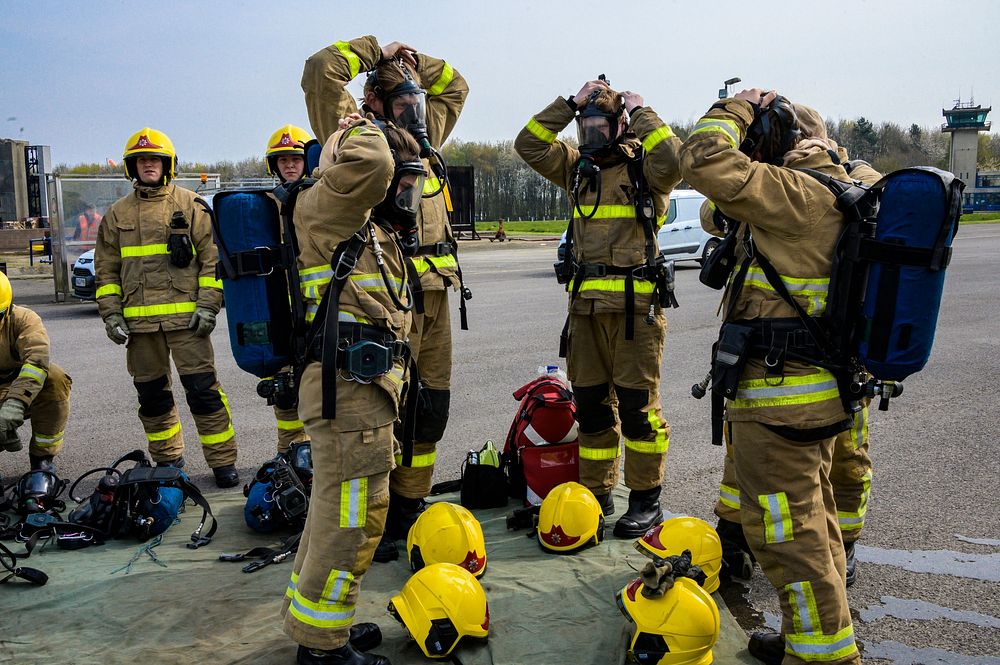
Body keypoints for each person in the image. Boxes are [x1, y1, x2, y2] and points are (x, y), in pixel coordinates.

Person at [680, 89, 864, 665]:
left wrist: (734, 110)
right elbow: (715, 209)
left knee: (789, 540)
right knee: (816, 524)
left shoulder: (795, 193)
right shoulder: (837, 188)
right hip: (814, 398)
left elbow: (702, 158)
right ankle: (810, 635)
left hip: (781, 401)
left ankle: (821, 657)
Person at [301, 35, 469, 560]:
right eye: (402, 104)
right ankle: (376, 516)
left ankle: (408, 507)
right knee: (381, 413)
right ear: (372, 100)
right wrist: (375, 52)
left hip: (436, 293)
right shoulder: (354, 132)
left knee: (429, 408)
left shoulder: (421, 133)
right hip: (387, 301)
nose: (414, 114)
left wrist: (415, 64)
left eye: (417, 102)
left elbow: (456, 87)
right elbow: (321, 69)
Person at [706, 140, 881, 590]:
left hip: (810, 376)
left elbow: (709, 168)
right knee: (785, 471)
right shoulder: (847, 187)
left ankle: (840, 549)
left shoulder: (807, 193)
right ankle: (740, 534)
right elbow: (712, 211)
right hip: (824, 373)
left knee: (835, 472)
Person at [514, 79, 682, 538]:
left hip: (635, 312)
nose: (591, 135)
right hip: (585, 311)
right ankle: (596, 492)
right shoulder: (575, 168)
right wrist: (568, 103)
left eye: (600, 126)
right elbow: (529, 143)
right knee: (590, 408)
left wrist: (642, 112)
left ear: (619, 125)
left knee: (638, 412)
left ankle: (646, 499)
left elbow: (675, 159)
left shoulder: (646, 168)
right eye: (585, 126)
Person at [280, 117, 420, 665]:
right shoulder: (328, 207)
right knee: (354, 519)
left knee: (333, 511)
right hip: (347, 393)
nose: (403, 196)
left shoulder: (359, 223)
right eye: (400, 185)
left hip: (359, 393)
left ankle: (318, 625)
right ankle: (322, 648)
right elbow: (373, 161)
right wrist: (355, 128)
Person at [95, 127, 238, 488]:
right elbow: (106, 269)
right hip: (141, 328)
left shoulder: (191, 205)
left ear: (167, 164)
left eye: (154, 160)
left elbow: (212, 261)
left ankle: (223, 463)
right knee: (153, 398)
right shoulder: (116, 214)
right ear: (132, 167)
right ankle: (168, 462)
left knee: (204, 393)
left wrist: (208, 307)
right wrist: (111, 313)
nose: (148, 165)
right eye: (141, 160)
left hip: (188, 322)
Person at [262, 123, 313, 455]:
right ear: (274, 165)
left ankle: (320, 455)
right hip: (281, 308)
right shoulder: (265, 206)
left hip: (317, 307)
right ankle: (291, 454)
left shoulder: (322, 199)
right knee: (285, 389)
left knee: (323, 385)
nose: (290, 165)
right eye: (283, 160)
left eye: (296, 158)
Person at [0, 272, 72, 471]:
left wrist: (15, 403)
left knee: (55, 378)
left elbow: (36, 361)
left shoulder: (24, 319)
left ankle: (42, 458)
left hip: (19, 385)